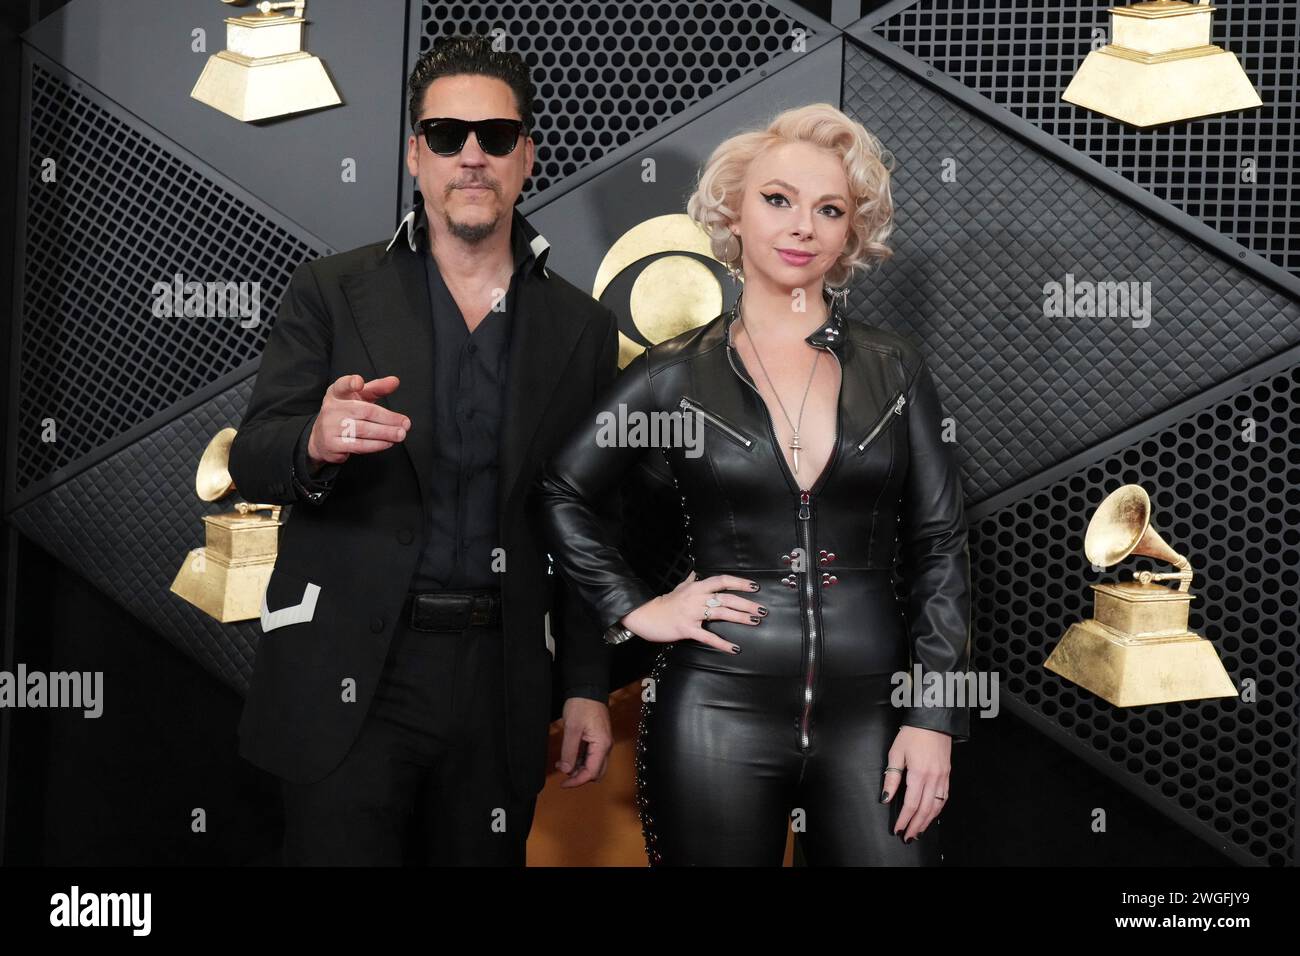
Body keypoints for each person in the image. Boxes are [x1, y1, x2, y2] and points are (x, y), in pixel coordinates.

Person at [534, 103, 972, 866]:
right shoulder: (674, 373)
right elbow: (560, 492)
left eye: (828, 209)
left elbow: (940, 545)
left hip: (874, 714)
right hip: (715, 715)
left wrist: (934, 715)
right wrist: (635, 609)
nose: (802, 225)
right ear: (733, 212)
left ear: (849, 235)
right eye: (778, 199)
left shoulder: (895, 368)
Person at [227, 36, 619, 866]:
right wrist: (314, 441)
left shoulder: (581, 329)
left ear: (527, 157)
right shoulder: (331, 290)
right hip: (349, 681)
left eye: (496, 137)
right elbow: (251, 457)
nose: (471, 156)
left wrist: (585, 685)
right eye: (446, 136)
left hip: (499, 686)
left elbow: (585, 523)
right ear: (415, 154)